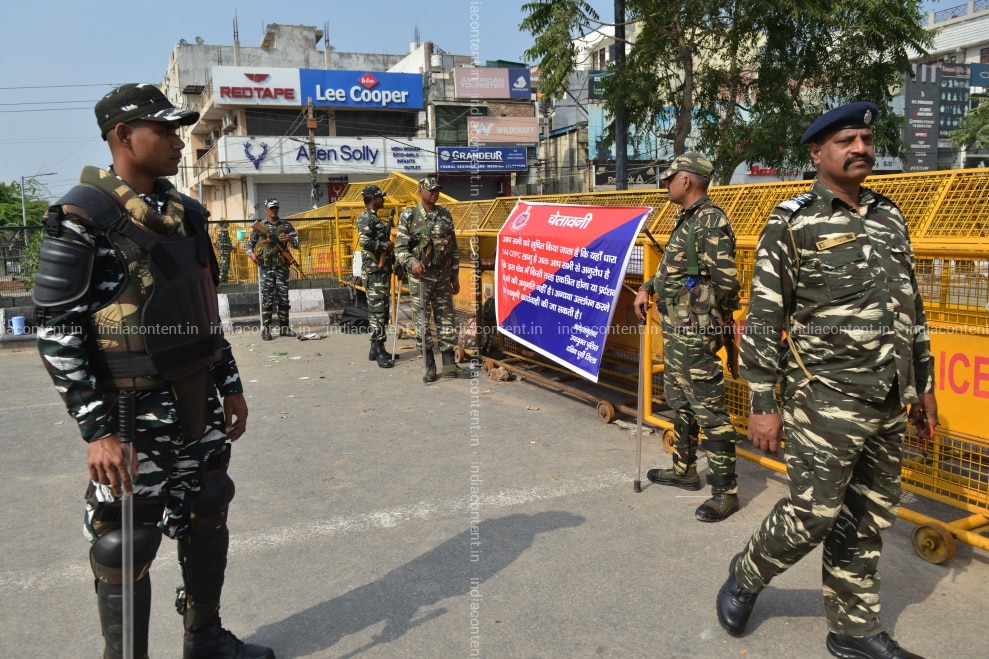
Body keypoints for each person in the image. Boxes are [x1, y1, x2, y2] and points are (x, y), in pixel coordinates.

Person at [31, 83, 274, 658]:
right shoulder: (80, 218)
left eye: (177, 129)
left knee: (209, 505)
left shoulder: (188, 214)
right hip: (128, 417)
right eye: (162, 130)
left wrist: (230, 385)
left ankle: (204, 637)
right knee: (125, 541)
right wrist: (97, 429)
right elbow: (56, 330)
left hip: (198, 401)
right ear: (122, 136)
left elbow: (203, 306)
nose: (176, 140)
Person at [715, 101, 938, 659]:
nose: (861, 148)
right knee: (814, 513)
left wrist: (925, 386)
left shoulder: (891, 217)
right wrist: (762, 402)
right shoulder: (792, 221)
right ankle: (747, 573)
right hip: (825, 397)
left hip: (888, 396)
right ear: (817, 153)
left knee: (867, 516)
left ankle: (854, 630)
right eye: (846, 140)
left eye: (865, 138)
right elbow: (764, 320)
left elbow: (910, 311)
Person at [633, 152, 742, 522]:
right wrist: (647, 287)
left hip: (694, 334)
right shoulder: (689, 220)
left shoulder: (710, 221)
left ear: (688, 181)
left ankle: (726, 492)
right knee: (682, 402)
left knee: (710, 411)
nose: (666, 183)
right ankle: (684, 470)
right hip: (679, 330)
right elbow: (673, 269)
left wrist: (712, 317)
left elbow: (727, 283)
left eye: (670, 177)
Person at [395, 177, 469, 382]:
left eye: (437, 190)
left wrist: (455, 276)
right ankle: (429, 366)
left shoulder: (445, 214)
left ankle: (449, 365)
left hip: (443, 276)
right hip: (421, 277)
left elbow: (452, 248)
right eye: (430, 190)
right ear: (420, 191)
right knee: (423, 322)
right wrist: (412, 262)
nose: (434, 193)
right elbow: (400, 249)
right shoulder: (409, 215)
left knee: (446, 319)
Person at [246, 198, 300, 341]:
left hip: (282, 267)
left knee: (283, 297)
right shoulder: (260, 226)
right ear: (266, 210)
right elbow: (249, 245)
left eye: (276, 208)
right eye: (271, 208)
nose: (274, 210)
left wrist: (290, 239)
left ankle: (284, 328)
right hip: (266, 267)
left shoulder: (286, 225)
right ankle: (266, 329)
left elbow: (297, 243)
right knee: (267, 298)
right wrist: (251, 255)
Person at [357, 184, 396, 368]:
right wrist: (385, 246)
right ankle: (379, 349)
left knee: (382, 310)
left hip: (381, 272)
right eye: (381, 196)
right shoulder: (366, 218)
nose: (383, 199)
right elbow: (366, 243)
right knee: (377, 313)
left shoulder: (374, 218)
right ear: (373, 198)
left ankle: (375, 348)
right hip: (374, 272)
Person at [215, 219, 232, 284]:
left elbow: (225, 241)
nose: (228, 224)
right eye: (227, 223)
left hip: (226, 251)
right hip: (224, 252)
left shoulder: (223, 231)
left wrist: (231, 247)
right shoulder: (223, 231)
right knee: (223, 266)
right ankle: (222, 281)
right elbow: (221, 242)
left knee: (225, 266)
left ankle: (224, 281)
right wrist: (221, 249)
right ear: (223, 224)